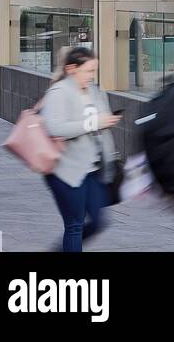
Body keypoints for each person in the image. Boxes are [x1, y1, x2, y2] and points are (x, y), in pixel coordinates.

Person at [39, 46, 120, 253]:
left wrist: (106, 121)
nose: (92, 76)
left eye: (94, 71)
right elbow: (55, 128)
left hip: (92, 168)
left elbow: (100, 119)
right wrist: (93, 123)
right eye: (88, 71)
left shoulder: (95, 90)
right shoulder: (59, 92)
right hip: (65, 170)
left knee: (99, 220)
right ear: (72, 68)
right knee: (74, 225)